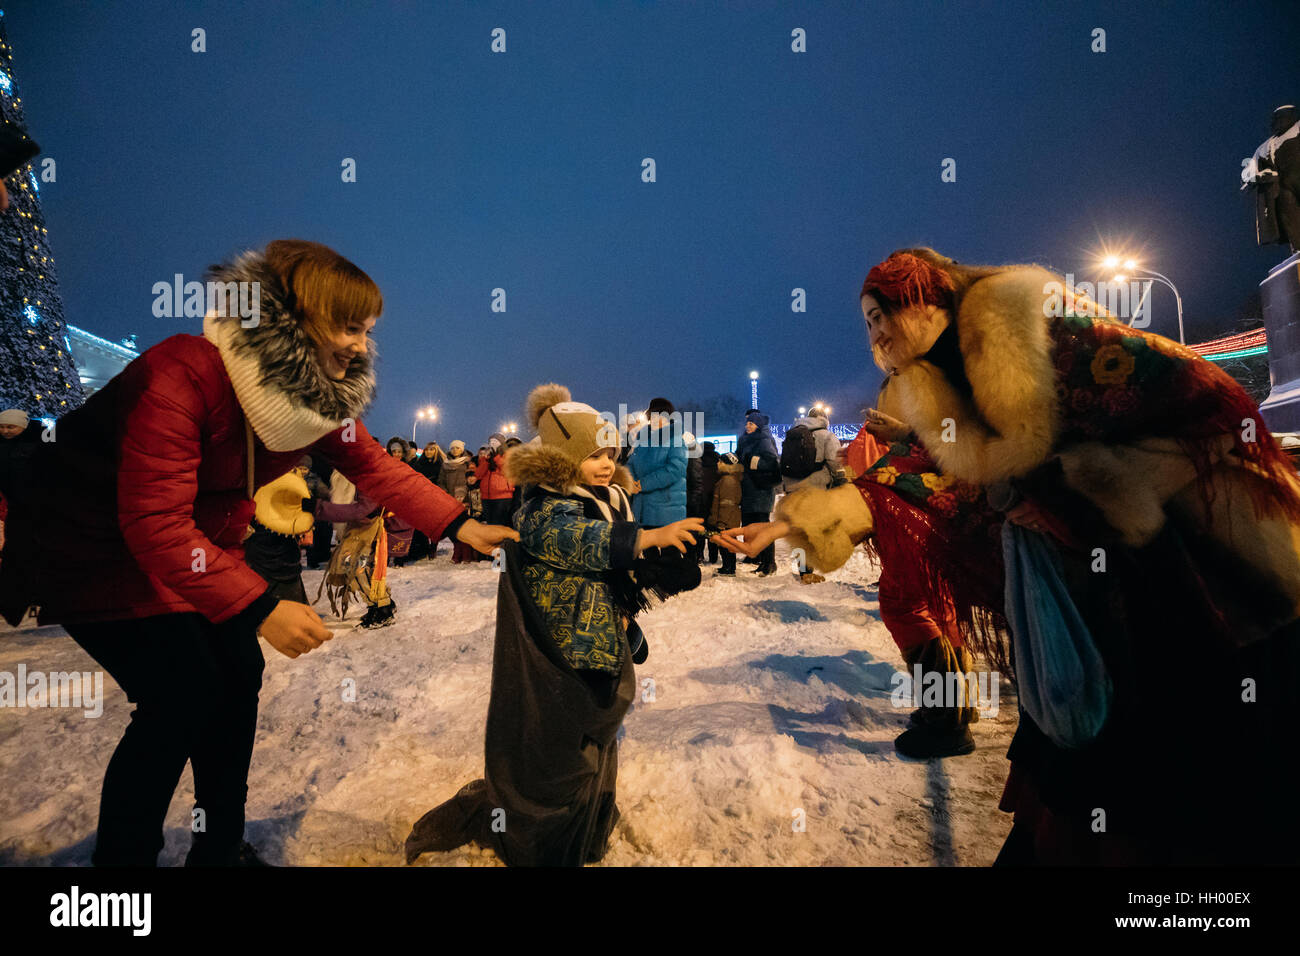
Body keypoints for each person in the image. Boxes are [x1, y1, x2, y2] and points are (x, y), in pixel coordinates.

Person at [722, 246, 1300, 865]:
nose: (875, 334)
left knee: (1200, 768)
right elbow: (911, 476)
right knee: (1090, 779)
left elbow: (1205, 392)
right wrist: (783, 526)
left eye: (879, 314)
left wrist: (1074, 486)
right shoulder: (938, 388)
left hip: (1196, 574)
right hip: (1095, 600)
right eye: (866, 322)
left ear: (923, 298)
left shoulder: (1035, 326)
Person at [0, 239, 518, 867]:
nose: (359, 344)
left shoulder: (315, 398)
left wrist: (461, 524)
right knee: (180, 695)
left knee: (237, 675)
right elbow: (153, 521)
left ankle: (219, 848)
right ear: (292, 316)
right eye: (348, 326)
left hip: (194, 550)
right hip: (90, 547)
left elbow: (374, 465)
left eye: (367, 330)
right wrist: (259, 606)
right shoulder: (181, 373)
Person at [405, 384, 702, 866]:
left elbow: (611, 561)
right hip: (564, 647)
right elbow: (574, 539)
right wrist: (642, 539)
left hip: (601, 639)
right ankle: (544, 836)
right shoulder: (545, 507)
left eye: (609, 452)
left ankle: (584, 825)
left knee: (597, 739)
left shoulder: (609, 500)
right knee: (562, 751)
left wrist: (654, 568)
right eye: (592, 455)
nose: (606, 464)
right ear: (564, 461)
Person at [627, 398, 687, 528]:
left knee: (669, 547)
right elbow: (631, 463)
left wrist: (643, 484)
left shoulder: (675, 440)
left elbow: (675, 469)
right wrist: (630, 481)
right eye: (652, 416)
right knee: (647, 545)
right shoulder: (643, 440)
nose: (654, 420)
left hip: (666, 509)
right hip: (642, 506)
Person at [735, 410, 780, 575]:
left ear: (758, 426)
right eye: (747, 423)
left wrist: (752, 461)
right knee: (751, 527)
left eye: (751, 423)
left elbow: (773, 462)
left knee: (763, 528)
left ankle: (770, 562)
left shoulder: (764, 440)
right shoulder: (745, 440)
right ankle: (758, 558)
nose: (747, 425)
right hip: (748, 490)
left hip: (761, 490)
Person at [707, 452, 744, 576]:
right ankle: (727, 567)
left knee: (727, 545)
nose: (718, 463)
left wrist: (722, 522)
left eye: (720, 461)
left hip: (726, 520)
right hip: (729, 518)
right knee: (726, 545)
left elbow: (726, 504)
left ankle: (729, 568)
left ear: (726, 464)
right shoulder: (728, 478)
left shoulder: (728, 480)